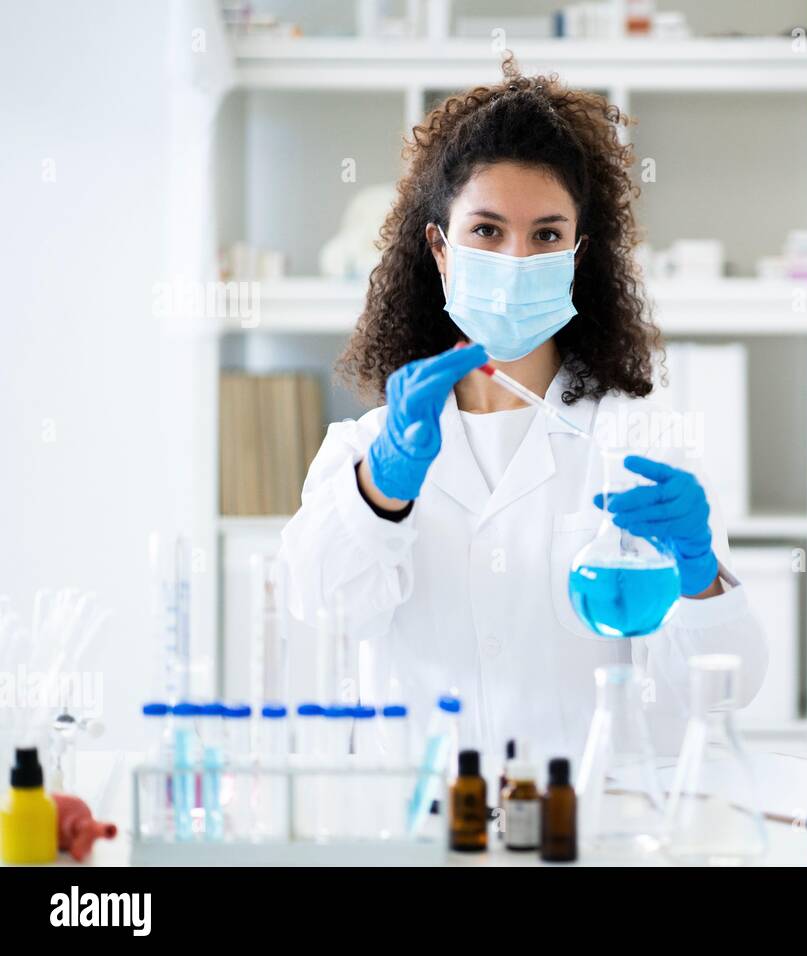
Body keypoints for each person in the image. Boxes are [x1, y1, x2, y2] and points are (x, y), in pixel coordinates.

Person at [280, 57, 767, 767]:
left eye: (545, 235)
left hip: (589, 829)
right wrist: (380, 492)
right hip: (427, 828)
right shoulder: (368, 448)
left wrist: (700, 574)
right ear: (439, 249)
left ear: (577, 254)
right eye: (486, 230)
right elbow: (319, 606)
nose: (515, 256)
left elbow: (722, 694)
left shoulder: (634, 443)